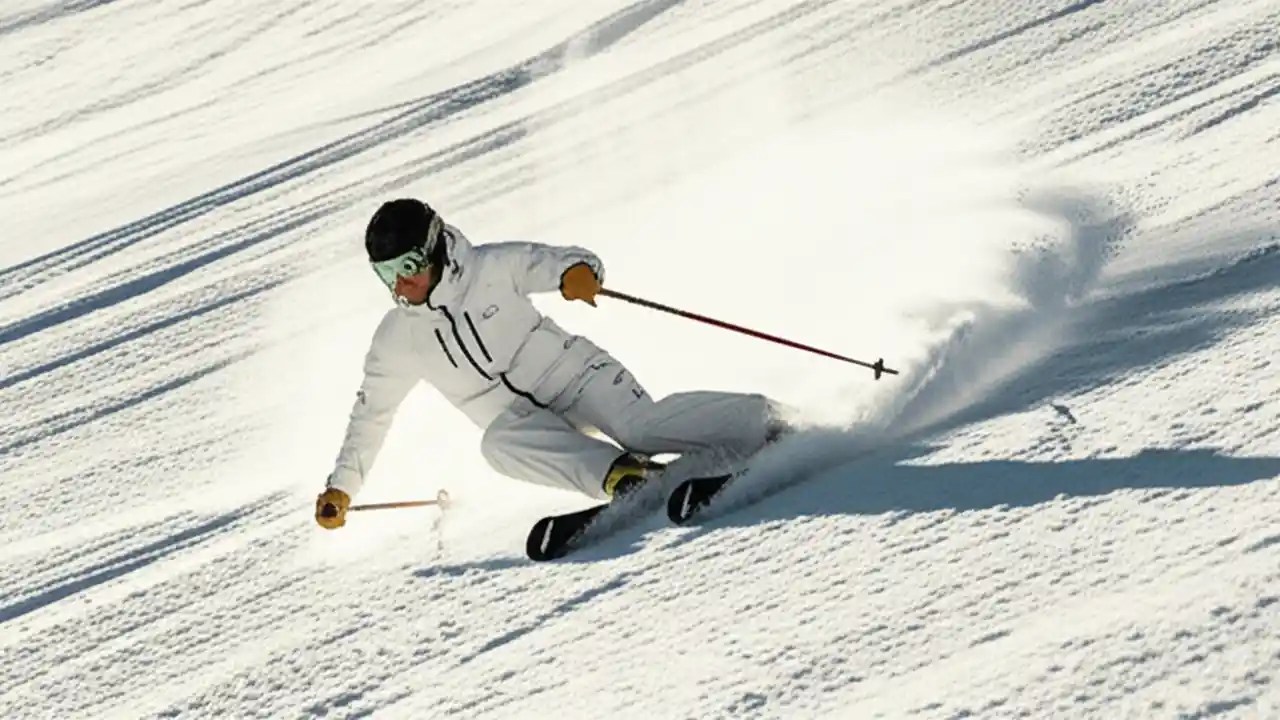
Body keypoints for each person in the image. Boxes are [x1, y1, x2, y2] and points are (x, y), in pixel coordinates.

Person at [315, 198, 785, 529]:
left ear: (435, 247)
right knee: (497, 444)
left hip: (578, 378)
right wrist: (343, 487)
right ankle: (627, 477)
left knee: (641, 428)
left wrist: (576, 274)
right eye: (386, 273)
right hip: (529, 424)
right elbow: (370, 416)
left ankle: (766, 421)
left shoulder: (488, 268)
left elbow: (553, 262)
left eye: (409, 265)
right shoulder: (397, 339)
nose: (401, 284)